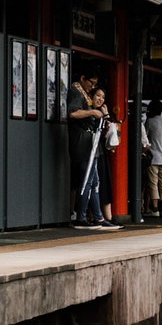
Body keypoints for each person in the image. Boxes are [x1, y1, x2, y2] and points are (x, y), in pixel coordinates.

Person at [66, 69, 114, 230]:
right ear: (82, 78)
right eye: (91, 83)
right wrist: (92, 112)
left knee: (93, 181)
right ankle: (81, 216)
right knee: (88, 180)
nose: (92, 86)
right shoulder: (76, 92)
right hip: (82, 144)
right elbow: (73, 113)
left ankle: (98, 217)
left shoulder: (85, 96)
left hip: (89, 145)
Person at [91, 87, 121, 223]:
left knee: (104, 183)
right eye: (98, 95)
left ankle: (108, 217)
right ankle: (95, 216)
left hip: (101, 153)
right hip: (91, 153)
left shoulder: (103, 114)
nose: (100, 99)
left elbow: (112, 132)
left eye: (103, 97)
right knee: (93, 185)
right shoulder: (89, 113)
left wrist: (106, 114)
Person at [143, 99, 162, 218]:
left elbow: (145, 139)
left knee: (153, 184)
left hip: (153, 158)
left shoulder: (149, 122)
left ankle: (155, 209)